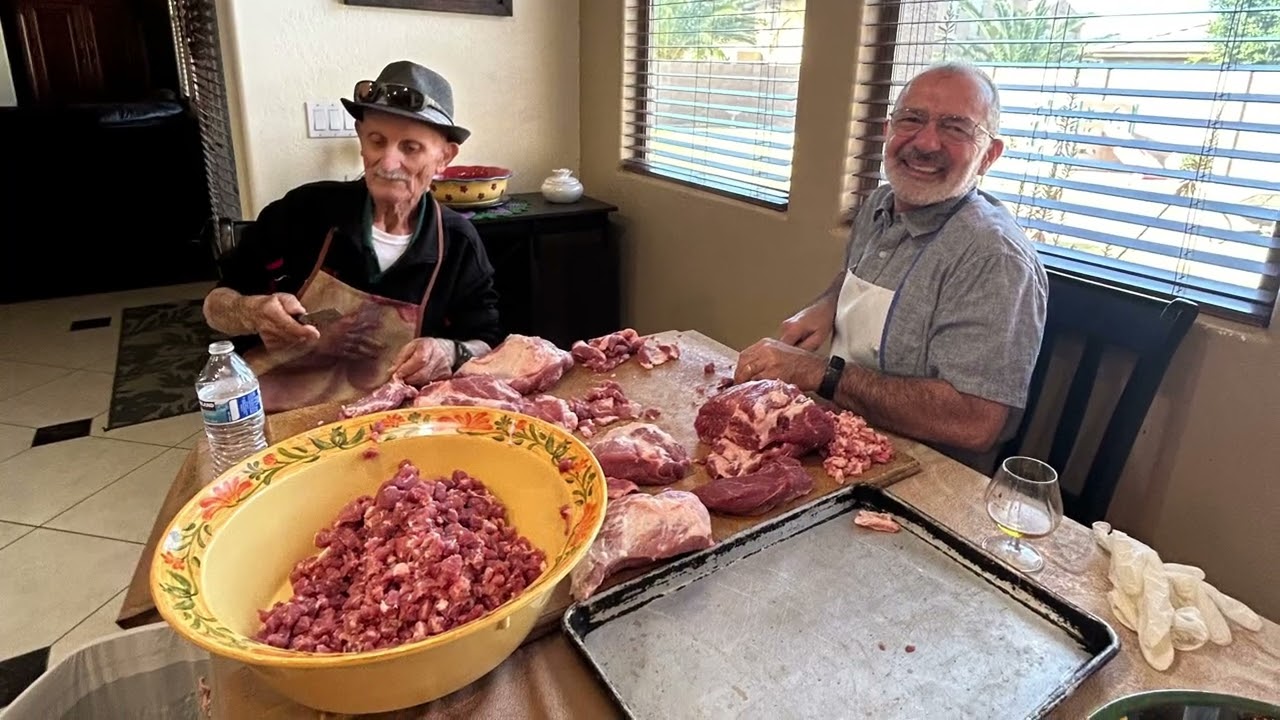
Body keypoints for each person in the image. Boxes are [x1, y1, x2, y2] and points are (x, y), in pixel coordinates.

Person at [735, 61, 1048, 471]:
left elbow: (974, 422)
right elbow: (856, 274)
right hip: (837, 435)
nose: (926, 142)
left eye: (955, 128)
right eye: (912, 119)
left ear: (989, 155)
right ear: (888, 130)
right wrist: (828, 305)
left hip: (918, 475)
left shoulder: (994, 259)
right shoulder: (882, 203)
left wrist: (820, 374)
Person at [202, 60, 502, 412]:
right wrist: (250, 312)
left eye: (411, 148)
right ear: (361, 139)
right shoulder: (304, 210)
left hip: (388, 418)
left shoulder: (457, 242)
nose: (388, 163)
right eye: (377, 141)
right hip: (277, 414)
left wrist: (449, 351)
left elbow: (487, 341)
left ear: (444, 157)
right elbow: (214, 307)